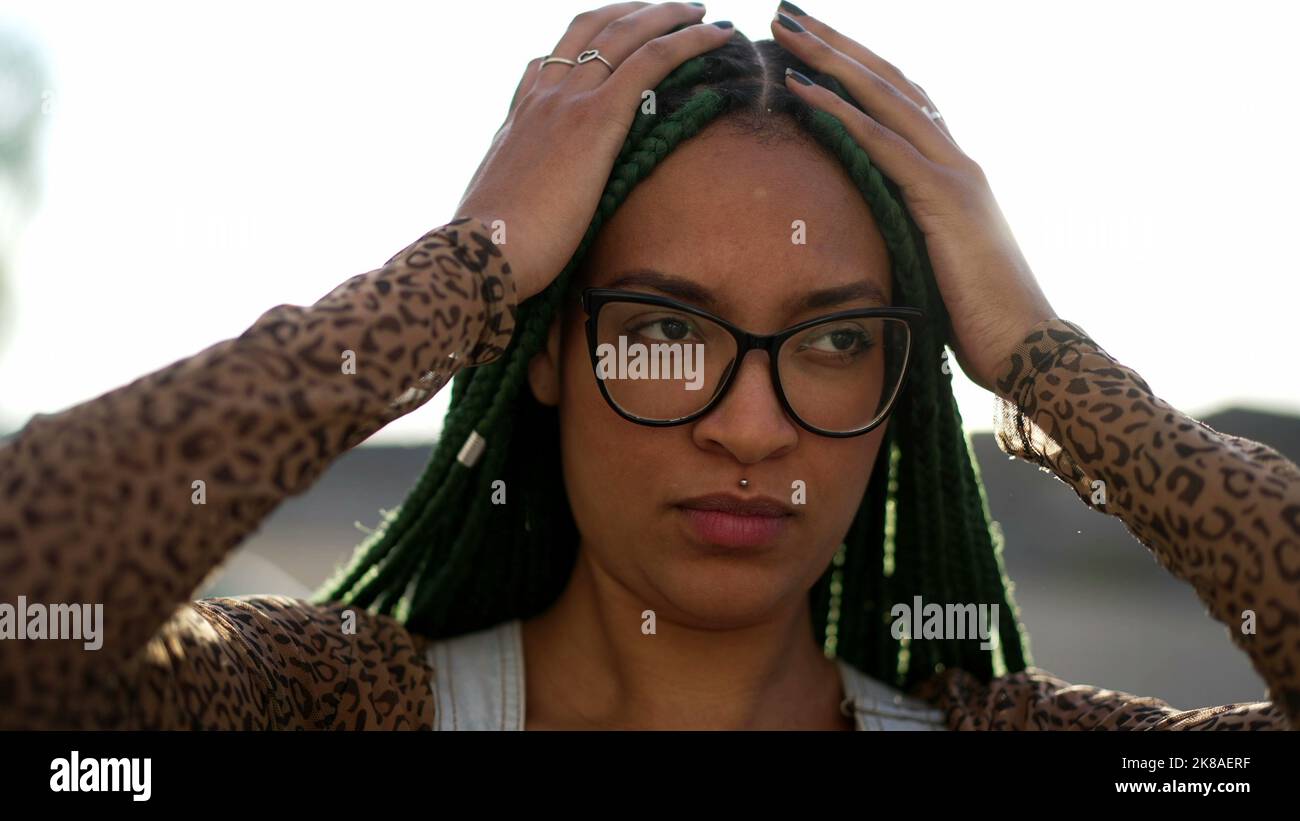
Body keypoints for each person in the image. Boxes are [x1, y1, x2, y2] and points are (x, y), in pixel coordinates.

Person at [0, 3, 1296, 731]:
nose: (748, 426)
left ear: (911, 380)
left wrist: (1045, 361)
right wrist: (463, 271)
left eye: (838, 338)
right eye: (667, 329)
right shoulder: (337, 709)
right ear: (547, 347)